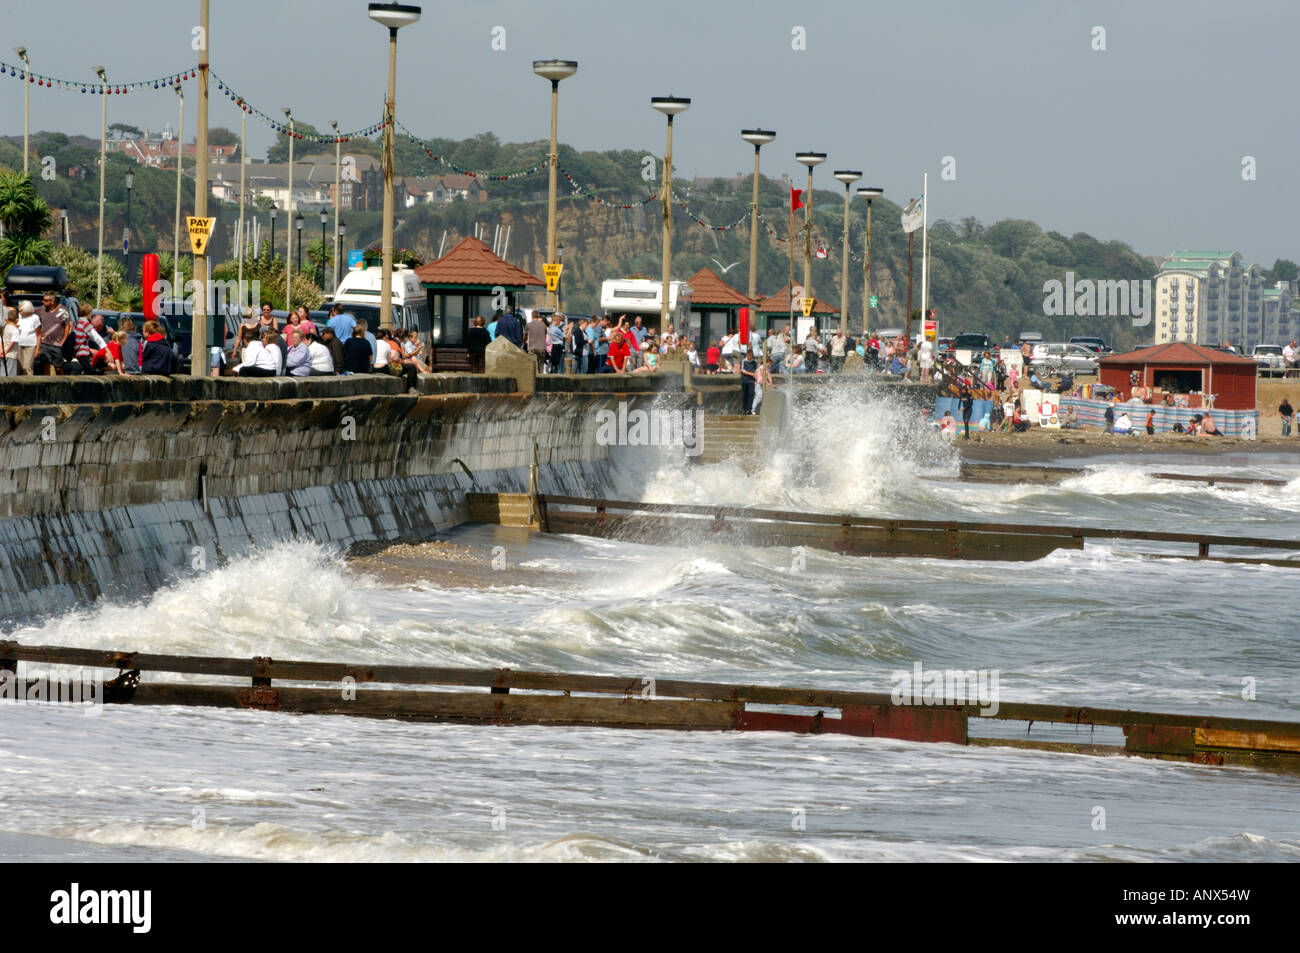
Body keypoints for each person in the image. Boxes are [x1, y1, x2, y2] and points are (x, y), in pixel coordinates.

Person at [35, 292, 72, 375]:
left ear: (52, 301)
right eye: (43, 300)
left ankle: (61, 384)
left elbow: (67, 325)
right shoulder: (41, 310)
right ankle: (47, 384)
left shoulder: (63, 310)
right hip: (44, 343)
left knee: (58, 368)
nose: (43, 302)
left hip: (57, 344)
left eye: (45, 300)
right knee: (46, 365)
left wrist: (63, 340)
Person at [15, 300, 40, 375]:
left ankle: (28, 385)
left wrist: (37, 349)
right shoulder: (18, 317)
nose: (19, 311)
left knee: (27, 367)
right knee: (18, 367)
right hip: (18, 344)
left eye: (21, 310)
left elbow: (38, 334)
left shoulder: (35, 318)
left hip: (30, 345)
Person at [739, 347, 758, 413]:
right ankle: (744, 408)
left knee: (751, 394)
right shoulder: (744, 361)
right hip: (744, 380)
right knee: (745, 394)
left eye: (751, 356)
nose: (750, 358)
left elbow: (756, 370)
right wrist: (752, 374)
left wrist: (756, 379)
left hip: (751, 381)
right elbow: (743, 371)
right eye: (749, 356)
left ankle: (749, 409)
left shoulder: (755, 362)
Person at [1, 307, 18, 376]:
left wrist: (2, 351)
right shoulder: (15, 330)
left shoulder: (5, 327)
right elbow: (12, 342)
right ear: (17, 320)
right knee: (11, 374)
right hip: (11, 354)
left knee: (2, 372)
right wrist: (5, 352)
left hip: (3, 352)